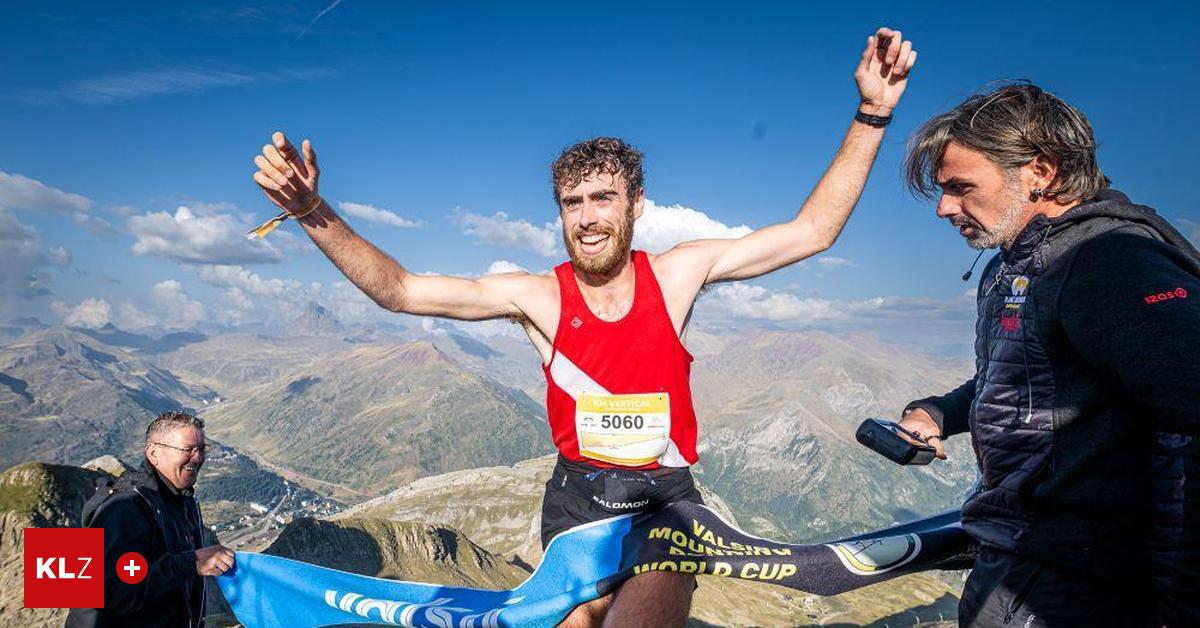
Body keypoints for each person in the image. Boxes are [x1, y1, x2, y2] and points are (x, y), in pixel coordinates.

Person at [250, 27, 916, 627]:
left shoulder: (679, 275)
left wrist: (874, 111)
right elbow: (399, 291)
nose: (588, 216)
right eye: (573, 203)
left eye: (603, 198)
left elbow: (813, 231)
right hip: (577, 504)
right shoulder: (537, 298)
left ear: (635, 205)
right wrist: (312, 210)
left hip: (667, 507)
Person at [894, 83, 1200, 627]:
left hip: (1074, 586)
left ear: (1040, 171)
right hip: (1021, 562)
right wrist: (938, 412)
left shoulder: (1110, 259)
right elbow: (1035, 375)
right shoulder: (1016, 262)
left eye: (961, 187)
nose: (944, 208)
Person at [65, 412, 235, 628]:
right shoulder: (123, 507)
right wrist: (189, 563)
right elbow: (99, 593)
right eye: (188, 449)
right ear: (153, 453)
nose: (198, 457)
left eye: (201, 449)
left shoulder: (183, 501)